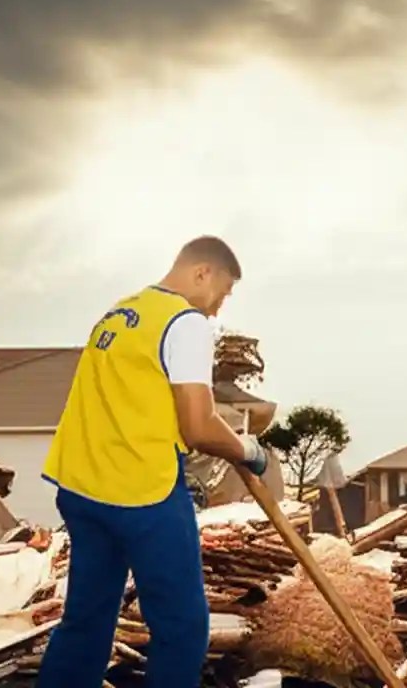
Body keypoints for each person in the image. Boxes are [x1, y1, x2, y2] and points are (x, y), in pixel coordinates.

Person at [36, 236, 268, 688]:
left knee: (86, 622)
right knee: (182, 629)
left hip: (82, 488)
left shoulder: (120, 314)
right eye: (222, 293)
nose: (217, 310)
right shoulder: (184, 322)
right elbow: (198, 426)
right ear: (202, 272)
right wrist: (247, 450)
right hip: (141, 490)